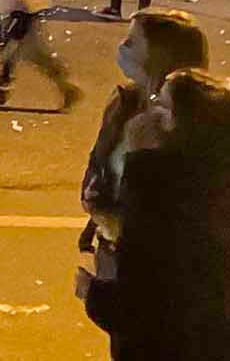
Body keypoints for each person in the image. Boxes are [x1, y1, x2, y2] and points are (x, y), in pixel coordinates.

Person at [78, 68, 230, 361]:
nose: (150, 110)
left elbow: (141, 298)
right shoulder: (212, 178)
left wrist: (92, 292)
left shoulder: (156, 183)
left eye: (162, 105)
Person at [79, 10, 208, 278]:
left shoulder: (186, 121)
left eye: (131, 43)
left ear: (159, 56)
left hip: (163, 264)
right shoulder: (126, 101)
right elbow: (101, 161)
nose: (121, 49)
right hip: (113, 249)